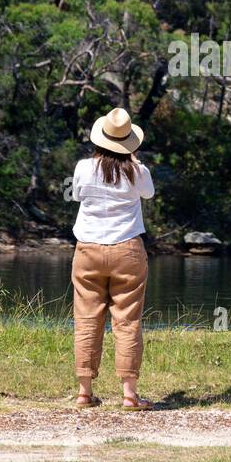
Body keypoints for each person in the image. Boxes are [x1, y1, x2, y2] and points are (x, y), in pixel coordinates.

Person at [70, 107, 156, 410]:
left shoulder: (83, 167)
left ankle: (84, 392)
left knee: (87, 319)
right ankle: (130, 394)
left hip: (89, 249)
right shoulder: (138, 171)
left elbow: (78, 195)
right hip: (128, 250)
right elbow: (148, 194)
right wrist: (134, 160)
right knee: (128, 321)